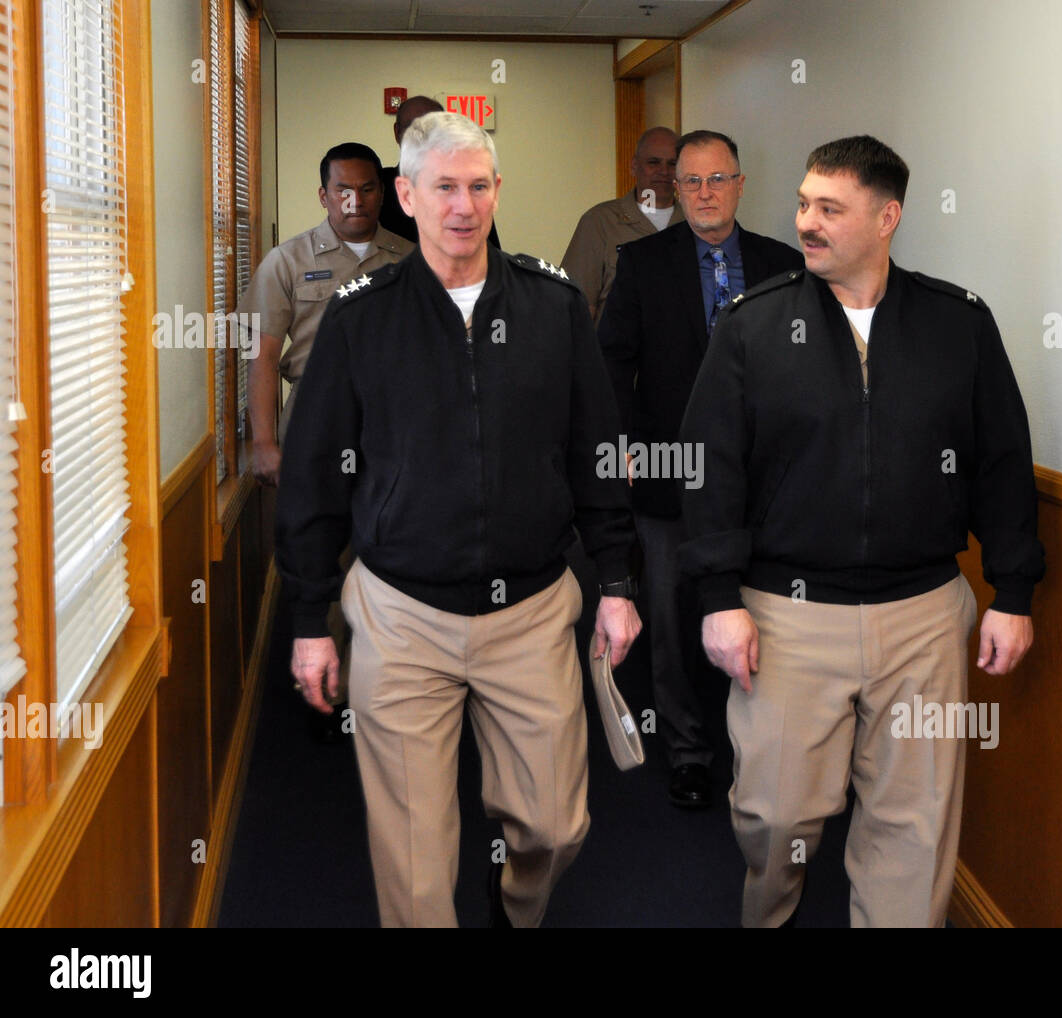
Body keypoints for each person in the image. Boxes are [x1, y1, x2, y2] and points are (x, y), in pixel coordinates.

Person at [275, 111, 642, 928]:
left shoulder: (550, 308)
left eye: (478, 186)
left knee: (555, 827)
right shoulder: (361, 316)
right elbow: (312, 479)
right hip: (402, 616)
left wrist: (615, 580)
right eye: (443, 187)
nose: (463, 206)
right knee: (413, 864)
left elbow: (595, 452)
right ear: (407, 195)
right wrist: (308, 616)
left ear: (497, 191)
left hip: (534, 612)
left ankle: (512, 905)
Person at [678, 134, 1045, 927]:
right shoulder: (752, 325)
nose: (805, 221)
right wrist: (717, 594)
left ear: (888, 218)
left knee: (914, 826)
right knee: (776, 820)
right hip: (785, 613)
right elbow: (709, 468)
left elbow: (1003, 463)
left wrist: (1013, 591)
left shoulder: (959, 325)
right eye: (805, 203)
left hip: (924, 615)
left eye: (829, 209)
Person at [598, 130, 802, 809]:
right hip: (668, 469)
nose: (706, 193)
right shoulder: (642, 262)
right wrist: (622, 443)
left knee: (761, 613)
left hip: (762, 477)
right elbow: (610, 363)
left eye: (719, 179)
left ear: (741, 184)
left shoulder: (784, 264)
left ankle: (758, 750)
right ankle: (687, 750)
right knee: (674, 614)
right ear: (673, 188)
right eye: (691, 181)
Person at [241, 142, 413, 483]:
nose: (356, 200)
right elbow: (262, 355)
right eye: (343, 190)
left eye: (367, 189)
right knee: (317, 531)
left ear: (382, 193)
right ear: (324, 196)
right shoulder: (288, 260)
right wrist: (262, 441)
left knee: (392, 532)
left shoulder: (413, 261)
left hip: (396, 420)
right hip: (315, 416)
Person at [561, 126, 684, 323]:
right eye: (653, 162)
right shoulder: (600, 222)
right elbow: (576, 309)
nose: (664, 171)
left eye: (672, 164)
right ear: (634, 166)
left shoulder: (695, 223)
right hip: (614, 351)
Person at [380, 95, 500, 249]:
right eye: (414, 129)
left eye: (434, 130)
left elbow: (489, 253)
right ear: (397, 132)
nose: (425, 139)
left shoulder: (467, 188)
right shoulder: (379, 188)